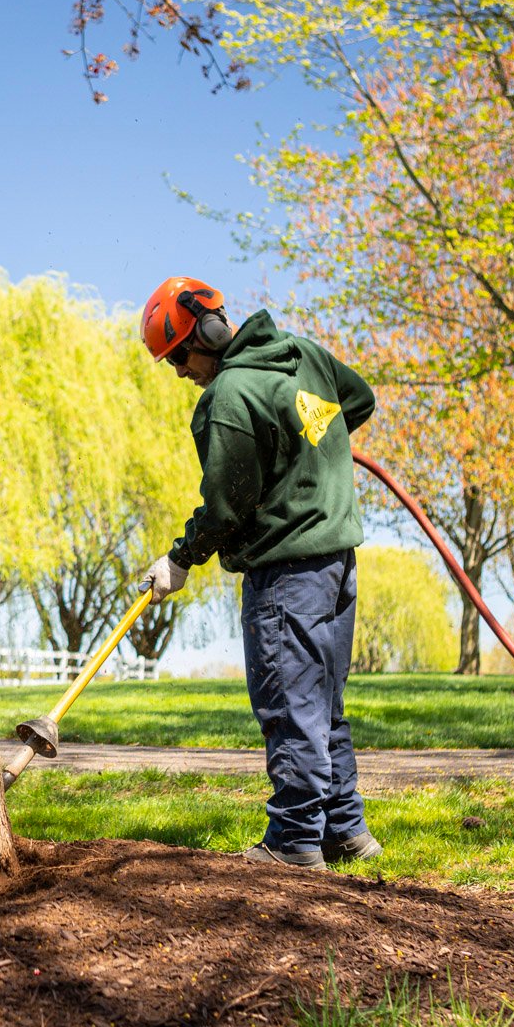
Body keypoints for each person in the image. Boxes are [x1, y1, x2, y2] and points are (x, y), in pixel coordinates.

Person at [138, 277, 382, 870]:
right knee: (323, 702)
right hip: (336, 565)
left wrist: (180, 557)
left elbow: (228, 506)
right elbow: (360, 401)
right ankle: (346, 830)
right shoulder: (303, 355)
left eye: (178, 356)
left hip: (284, 573)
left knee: (290, 703)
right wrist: (306, 449)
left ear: (210, 332)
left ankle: (295, 841)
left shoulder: (227, 399)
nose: (177, 372)